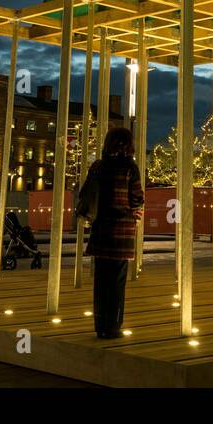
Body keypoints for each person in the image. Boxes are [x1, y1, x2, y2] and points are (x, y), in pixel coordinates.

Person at [81, 127, 144, 339]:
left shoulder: (98, 166)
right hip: (122, 232)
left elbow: (87, 194)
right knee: (117, 282)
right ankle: (113, 326)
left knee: (101, 281)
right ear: (128, 144)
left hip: (101, 230)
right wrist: (134, 211)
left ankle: (100, 326)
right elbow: (137, 198)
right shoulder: (129, 167)